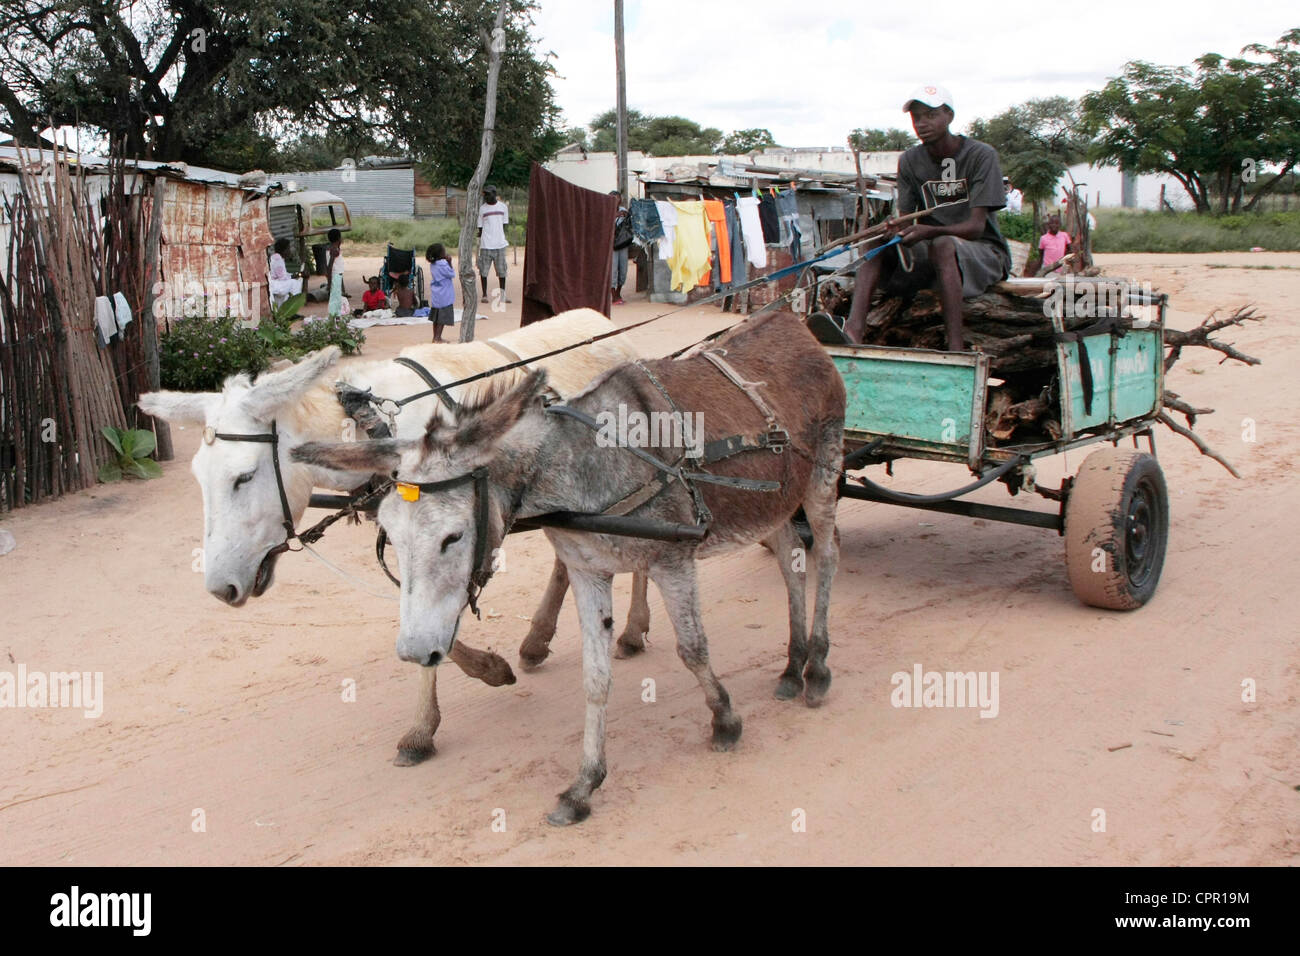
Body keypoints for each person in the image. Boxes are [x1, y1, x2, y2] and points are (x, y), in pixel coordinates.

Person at [844, 84, 1011, 351]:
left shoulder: (981, 155)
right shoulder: (910, 160)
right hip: (932, 255)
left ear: (949, 115)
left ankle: (955, 347)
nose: (922, 123)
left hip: (984, 254)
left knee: (943, 244)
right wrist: (896, 230)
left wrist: (929, 232)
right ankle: (852, 332)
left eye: (930, 115)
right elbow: (909, 223)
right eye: (916, 117)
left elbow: (976, 228)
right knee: (874, 241)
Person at [476, 184, 509, 304]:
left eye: (488, 194)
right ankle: (484, 295)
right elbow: (480, 227)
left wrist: (499, 236)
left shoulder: (503, 207)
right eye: (485, 194)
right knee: (483, 271)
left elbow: (504, 225)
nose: (486, 197)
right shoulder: (482, 209)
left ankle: (503, 295)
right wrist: (480, 238)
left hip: (500, 244)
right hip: (486, 245)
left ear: (494, 194)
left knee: (502, 271)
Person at [426, 243, 456, 342]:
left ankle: (435, 336)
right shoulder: (443, 264)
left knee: (436, 318)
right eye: (444, 250)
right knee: (441, 319)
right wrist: (450, 262)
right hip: (444, 295)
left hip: (437, 294)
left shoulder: (433, 264)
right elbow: (452, 274)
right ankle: (437, 338)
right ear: (440, 254)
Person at [610, 190, 632, 305]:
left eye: (618, 198)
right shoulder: (606, 210)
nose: (616, 200)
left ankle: (618, 293)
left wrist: (627, 216)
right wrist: (614, 216)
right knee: (613, 271)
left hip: (622, 244)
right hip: (611, 245)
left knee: (623, 270)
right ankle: (614, 296)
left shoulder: (623, 211)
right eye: (614, 198)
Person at [267, 237, 300, 308]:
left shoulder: (276, 257)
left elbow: (282, 274)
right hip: (274, 285)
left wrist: (293, 275)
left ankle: (282, 310)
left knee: (288, 287)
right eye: (288, 248)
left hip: (274, 284)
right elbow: (283, 278)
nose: (290, 251)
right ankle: (292, 307)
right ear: (284, 250)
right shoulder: (277, 258)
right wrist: (296, 276)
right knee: (295, 284)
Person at [324, 227, 345, 318]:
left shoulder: (334, 248)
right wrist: (329, 283)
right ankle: (333, 315)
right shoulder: (334, 250)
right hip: (335, 276)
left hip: (337, 275)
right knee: (335, 297)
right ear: (339, 238)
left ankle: (337, 314)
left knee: (337, 296)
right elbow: (329, 267)